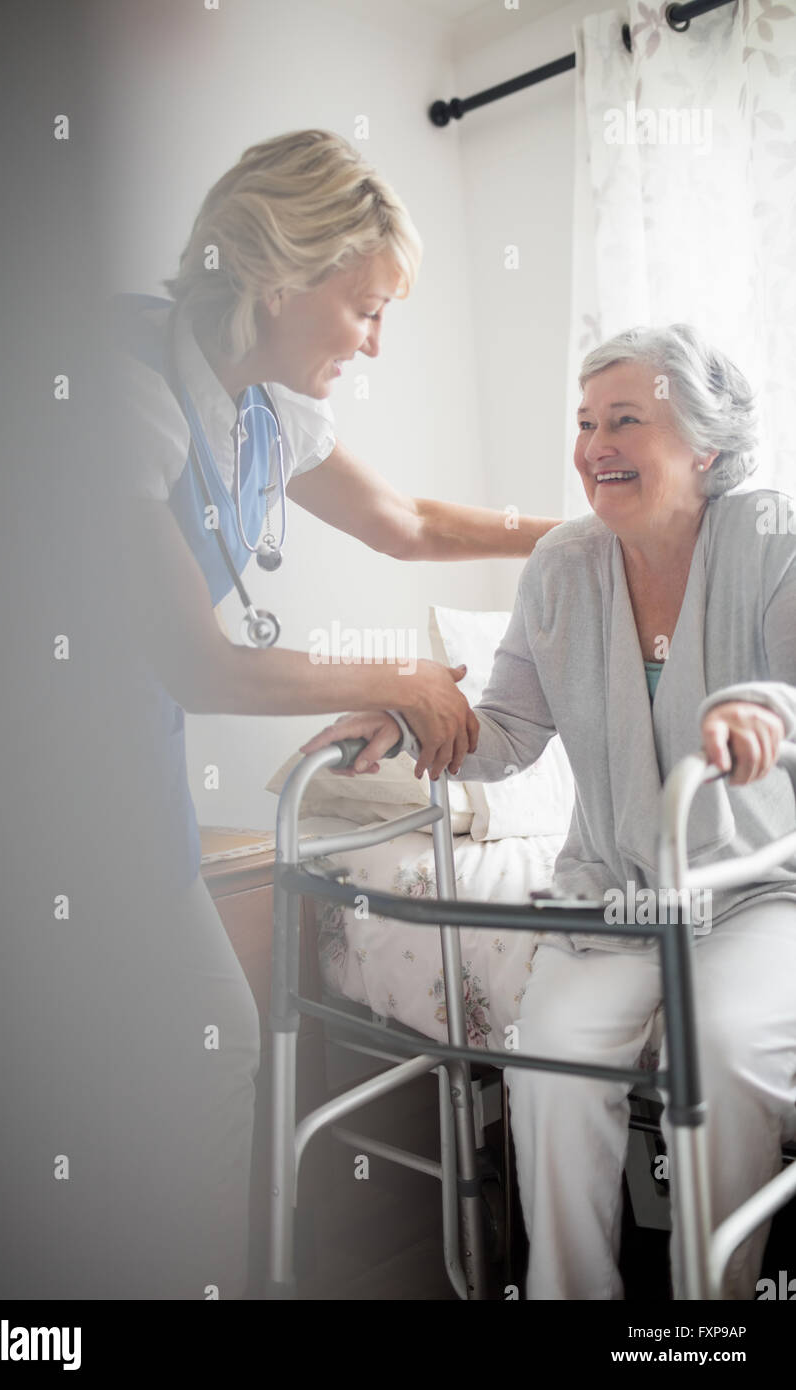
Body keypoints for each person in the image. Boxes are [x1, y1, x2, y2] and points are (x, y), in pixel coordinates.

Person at [113, 128, 561, 1297]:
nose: (372, 340)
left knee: (199, 1068)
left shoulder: (268, 411)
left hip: (128, 770)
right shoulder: (122, 388)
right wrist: (394, 682)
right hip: (27, 772)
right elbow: (197, 664)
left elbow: (403, 522)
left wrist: (560, 533)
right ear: (278, 278)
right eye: (363, 309)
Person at [305, 323, 796, 1300]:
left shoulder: (769, 535)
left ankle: (716, 1309)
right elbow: (506, 732)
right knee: (547, 1070)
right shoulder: (562, 564)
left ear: (702, 442)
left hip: (747, 892)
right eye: (582, 423)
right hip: (607, 902)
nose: (591, 446)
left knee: (730, 1055)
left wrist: (763, 708)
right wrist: (411, 729)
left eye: (623, 420)